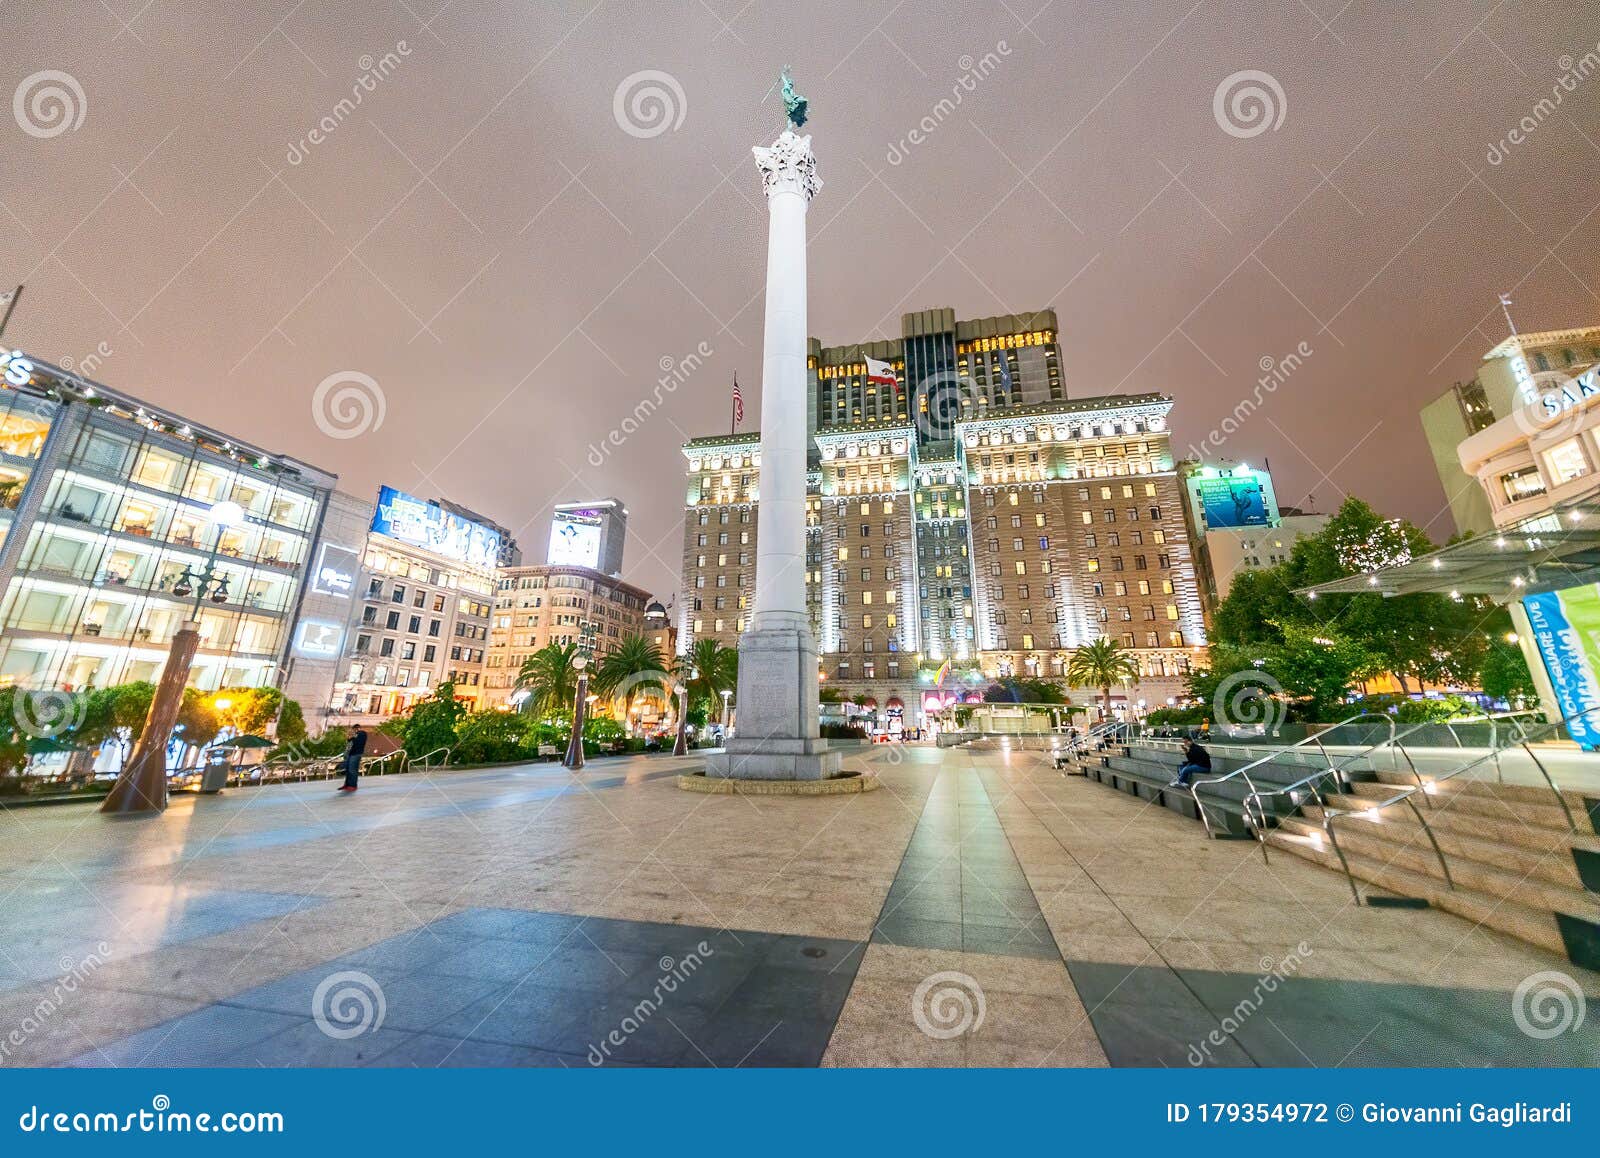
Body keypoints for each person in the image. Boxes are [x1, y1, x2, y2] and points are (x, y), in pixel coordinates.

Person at [339, 725, 367, 792]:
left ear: (357, 729)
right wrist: (349, 737)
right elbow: (349, 741)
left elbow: (358, 738)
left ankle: (353, 785)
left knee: (352, 770)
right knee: (348, 770)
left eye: (354, 730)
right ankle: (347, 784)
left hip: (356, 754)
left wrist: (353, 734)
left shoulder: (362, 733)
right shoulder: (355, 736)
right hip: (350, 754)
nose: (353, 731)